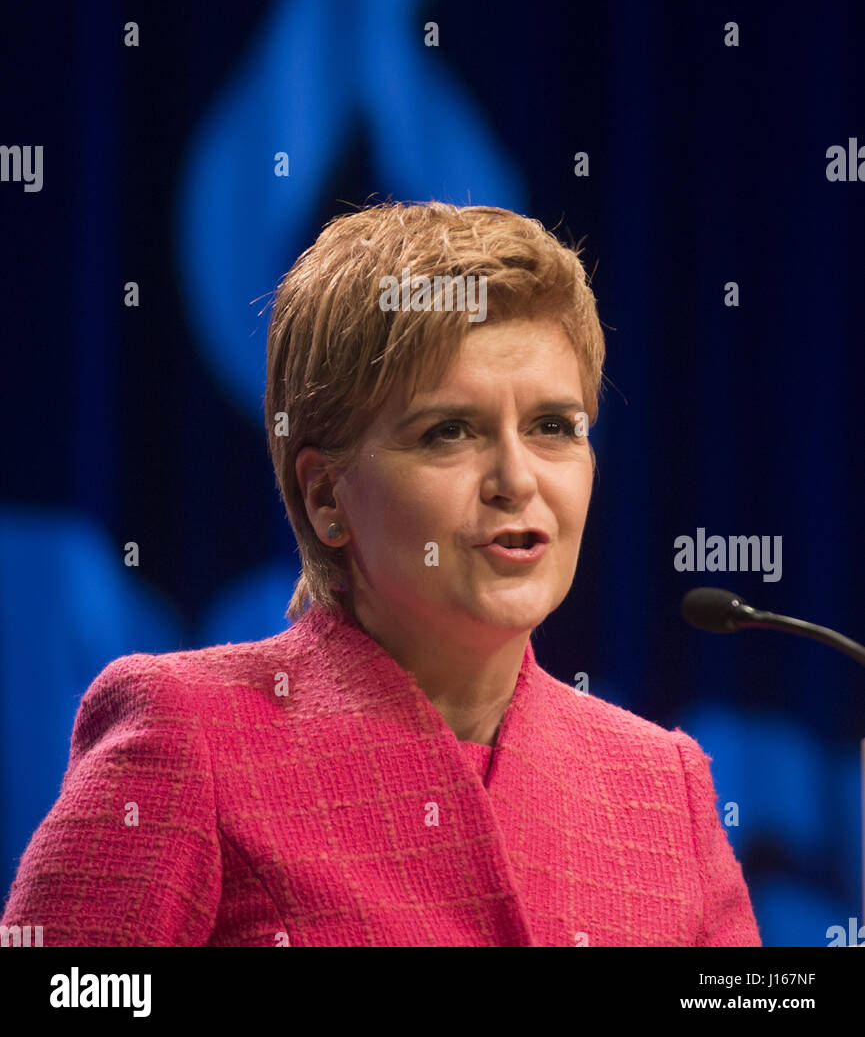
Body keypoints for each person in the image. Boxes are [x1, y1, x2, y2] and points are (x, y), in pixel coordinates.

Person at [0, 201, 761, 946]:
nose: (515, 478)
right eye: (448, 431)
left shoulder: (662, 786)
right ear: (326, 495)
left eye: (553, 427)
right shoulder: (189, 733)